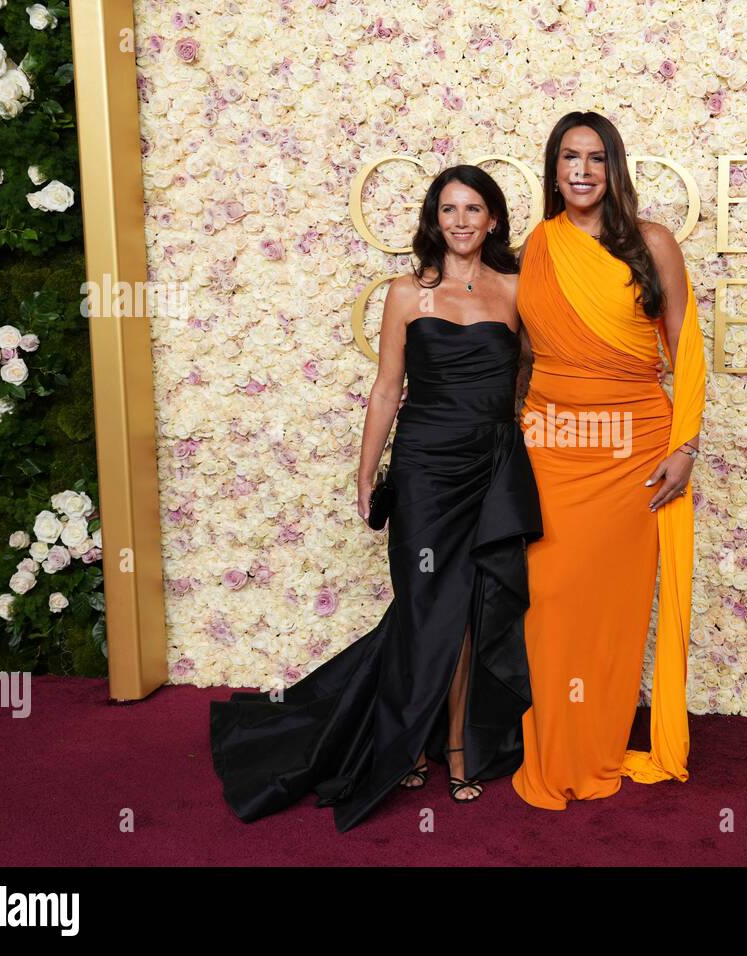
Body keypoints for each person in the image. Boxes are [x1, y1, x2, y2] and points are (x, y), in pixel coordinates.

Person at [210, 165, 542, 831]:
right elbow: (389, 387)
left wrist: (510, 436)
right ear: (433, 219)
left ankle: (451, 747)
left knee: (471, 610)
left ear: (495, 220)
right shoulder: (405, 294)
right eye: (448, 209)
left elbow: (529, 370)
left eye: (473, 208)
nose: (460, 220)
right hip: (423, 468)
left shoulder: (515, 290)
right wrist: (366, 475)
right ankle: (400, 737)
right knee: (426, 605)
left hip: (489, 465)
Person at [511, 111, 706, 810]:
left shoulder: (652, 243)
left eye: (596, 158)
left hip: (635, 455)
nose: (583, 171)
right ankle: (558, 743)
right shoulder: (537, 245)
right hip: (552, 450)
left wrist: (685, 446)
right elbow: (522, 352)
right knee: (552, 600)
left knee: (614, 608)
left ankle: (595, 746)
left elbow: (684, 346)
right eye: (570, 158)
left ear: (614, 167)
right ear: (553, 168)